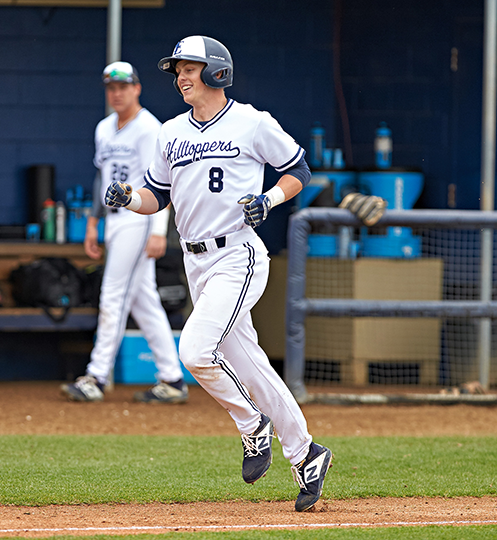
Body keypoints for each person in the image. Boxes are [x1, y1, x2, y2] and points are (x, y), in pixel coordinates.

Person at [104, 36, 331, 512]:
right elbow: (156, 196)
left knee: (195, 350)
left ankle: (253, 426)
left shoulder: (252, 122)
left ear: (217, 72)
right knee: (250, 364)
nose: (182, 77)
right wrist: (129, 197)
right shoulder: (170, 132)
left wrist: (268, 200)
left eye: (190, 68)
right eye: (179, 70)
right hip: (195, 260)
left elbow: (297, 169)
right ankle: (307, 453)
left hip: (238, 256)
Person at [61, 61, 187, 404]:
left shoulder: (150, 128)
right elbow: (101, 178)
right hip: (114, 219)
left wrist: (160, 229)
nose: (117, 93)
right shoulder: (104, 128)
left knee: (113, 294)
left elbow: (164, 182)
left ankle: (96, 376)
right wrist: (92, 221)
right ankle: (173, 378)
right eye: (111, 88)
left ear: (137, 88)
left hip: (140, 219)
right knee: (145, 302)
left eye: (123, 86)